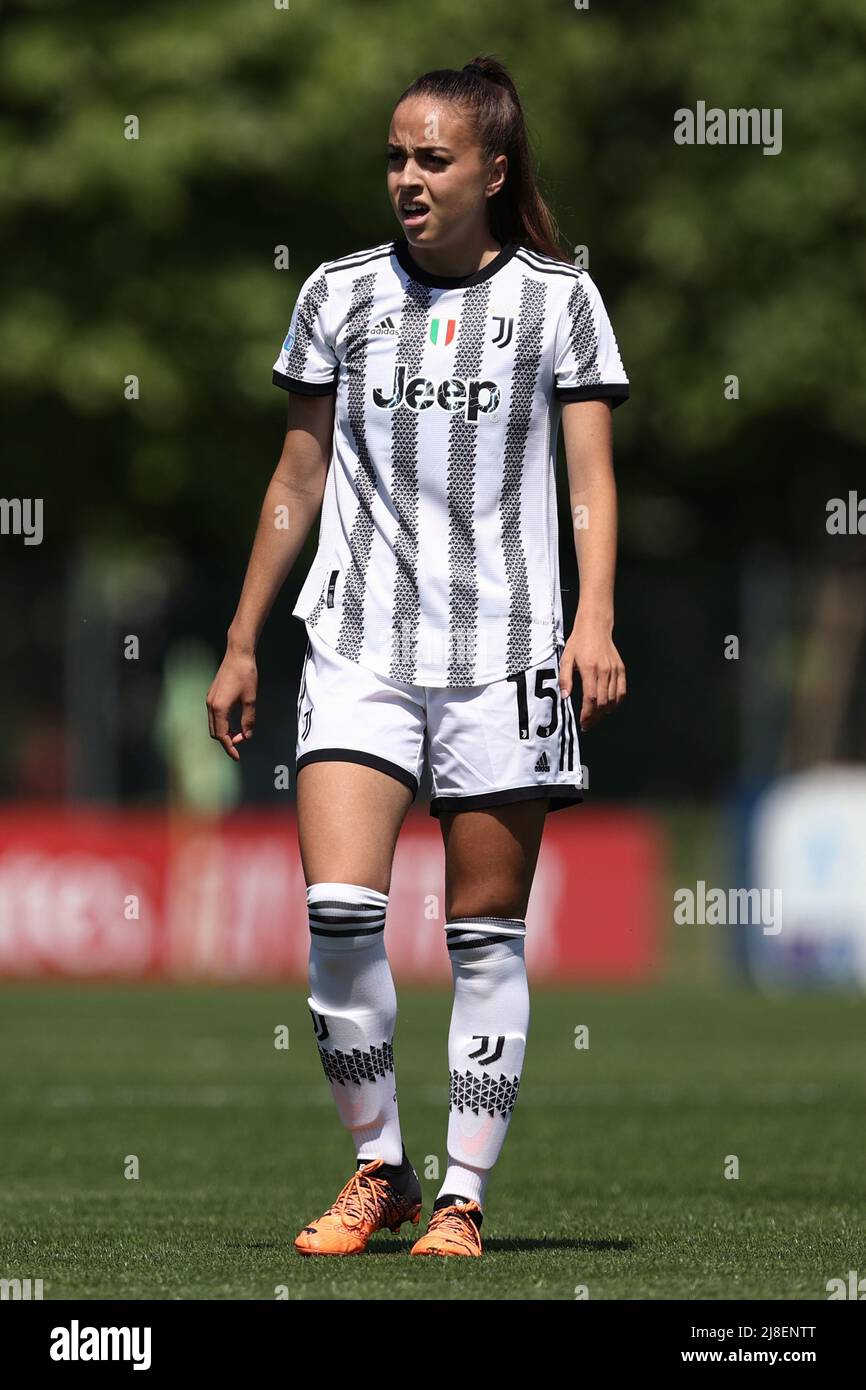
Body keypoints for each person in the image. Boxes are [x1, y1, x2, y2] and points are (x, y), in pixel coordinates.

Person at [206, 54, 629, 1258]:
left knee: (483, 936)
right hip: (354, 646)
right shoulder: (336, 293)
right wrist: (243, 637)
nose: (406, 176)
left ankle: (462, 1194)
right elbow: (296, 476)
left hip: (510, 656)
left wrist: (591, 617)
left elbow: (591, 480)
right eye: (395, 155)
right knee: (339, 915)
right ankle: (377, 1165)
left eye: (431, 158)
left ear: (493, 171)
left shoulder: (560, 301)